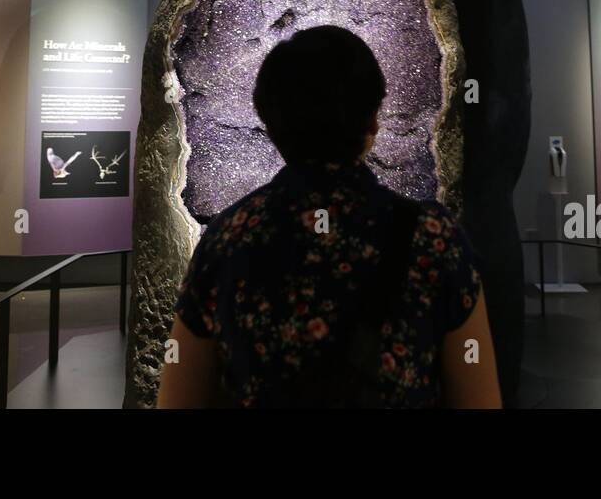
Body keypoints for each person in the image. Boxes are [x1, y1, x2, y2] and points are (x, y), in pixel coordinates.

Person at [158, 25, 500, 408]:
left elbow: (178, 397)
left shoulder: (225, 242)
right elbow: (480, 397)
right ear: (372, 120)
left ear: (272, 124)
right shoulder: (434, 241)